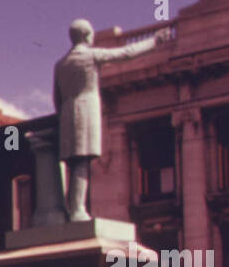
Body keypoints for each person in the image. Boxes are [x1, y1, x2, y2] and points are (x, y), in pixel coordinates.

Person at [54, 19, 172, 221]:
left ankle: (72, 207)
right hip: (86, 110)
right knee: (82, 161)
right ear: (87, 35)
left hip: (67, 113)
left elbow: (56, 97)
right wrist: (155, 41)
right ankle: (78, 210)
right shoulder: (91, 55)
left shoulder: (61, 64)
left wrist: (63, 115)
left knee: (73, 164)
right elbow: (126, 53)